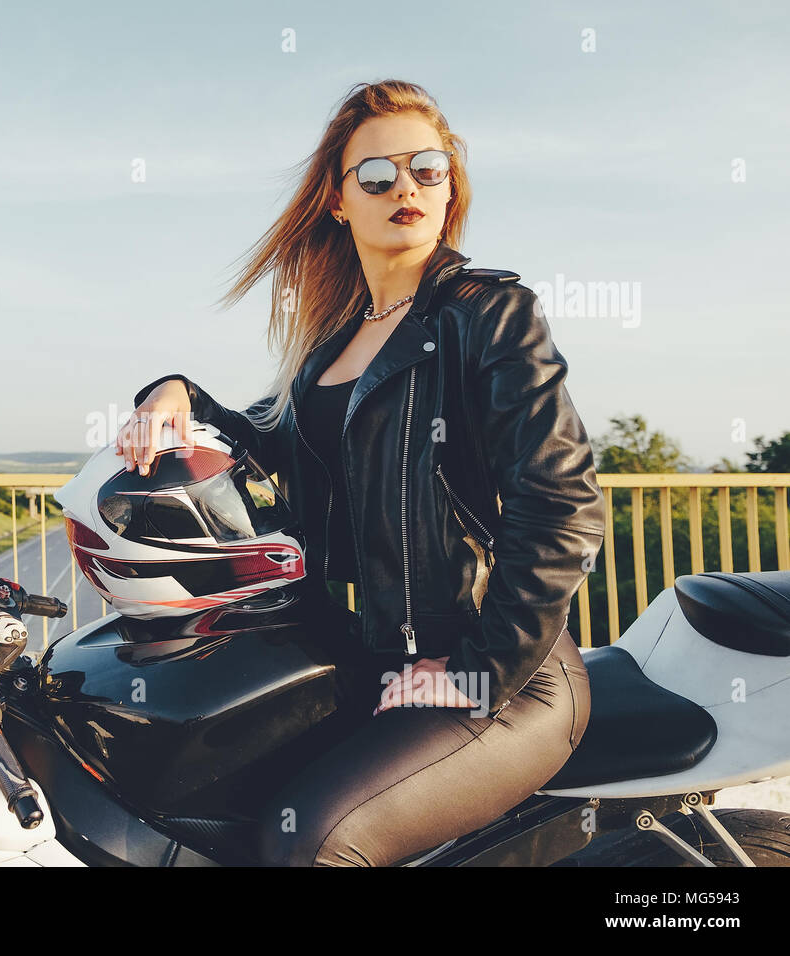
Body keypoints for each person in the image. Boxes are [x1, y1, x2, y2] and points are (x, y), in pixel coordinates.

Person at [113, 79, 605, 866]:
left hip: (505, 676)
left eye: (426, 169)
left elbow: (564, 504)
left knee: (309, 842)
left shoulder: (487, 313)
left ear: (450, 188)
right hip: (373, 657)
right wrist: (175, 392)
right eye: (376, 176)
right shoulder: (334, 343)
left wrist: (481, 668)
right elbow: (271, 444)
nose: (403, 187)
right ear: (340, 203)